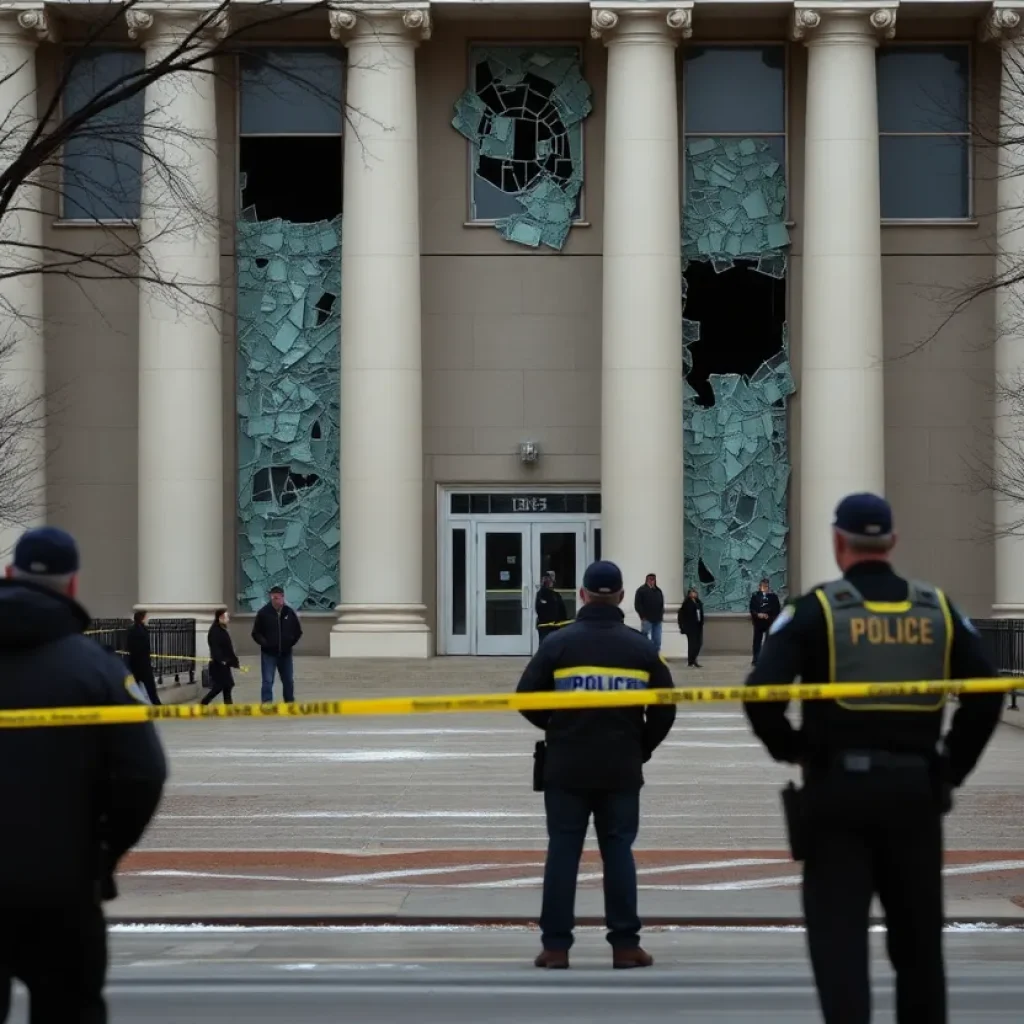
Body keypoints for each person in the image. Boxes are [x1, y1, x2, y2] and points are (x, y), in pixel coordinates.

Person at [743, 493, 1004, 1024]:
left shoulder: (815, 609)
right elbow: (988, 690)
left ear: (838, 542)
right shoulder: (937, 608)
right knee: (919, 952)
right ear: (892, 542)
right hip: (915, 795)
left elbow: (761, 690)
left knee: (839, 948)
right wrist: (949, 768)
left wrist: (794, 749)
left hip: (836, 796)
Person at [0, 526, 167, 1023]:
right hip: (61, 887)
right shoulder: (97, 671)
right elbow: (144, 774)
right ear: (73, 585)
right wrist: (100, 851)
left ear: (10, 574)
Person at [516, 560, 677, 970]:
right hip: (621, 767)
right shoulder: (641, 647)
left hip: (567, 766)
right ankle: (625, 946)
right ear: (623, 596)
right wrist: (641, 746)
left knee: (563, 853)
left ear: (582, 595)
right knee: (619, 852)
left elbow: (525, 696)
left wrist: (558, 727)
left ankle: (555, 947)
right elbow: (665, 708)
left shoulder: (559, 643)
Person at [252, 584, 302, 703]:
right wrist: (265, 643)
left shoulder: (289, 613)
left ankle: (289, 702)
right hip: (269, 654)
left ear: (282, 597)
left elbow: (298, 631)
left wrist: (289, 642)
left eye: (278, 598)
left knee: (288, 680)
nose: (276, 600)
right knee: (267, 680)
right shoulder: (263, 613)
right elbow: (255, 633)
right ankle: (267, 703)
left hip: (285, 654)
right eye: (273, 598)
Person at [202, 608, 239, 706]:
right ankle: (204, 702)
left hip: (224, 663)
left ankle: (228, 706)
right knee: (219, 686)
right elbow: (215, 648)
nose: (228, 619)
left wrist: (232, 660)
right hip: (218, 664)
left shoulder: (222, 629)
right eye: (226, 617)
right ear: (220, 618)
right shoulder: (215, 631)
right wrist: (222, 660)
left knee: (228, 685)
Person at [125, 608, 161, 706]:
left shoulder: (131, 630)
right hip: (143, 664)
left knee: (134, 689)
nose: (148, 619)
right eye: (146, 617)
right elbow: (145, 648)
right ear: (143, 618)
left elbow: (128, 646)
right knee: (151, 689)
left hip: (134, 664)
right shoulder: (143, 631)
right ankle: (158, 706)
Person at [749, 576, 780, 665]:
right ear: (759, 586)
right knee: (757, 642)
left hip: (769, 622)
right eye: (763, 586)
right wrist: (758, 614)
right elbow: (752, 609)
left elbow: (777, 609)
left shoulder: (773, 597)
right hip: (758, 623)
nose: (764, 588)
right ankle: (756, 659)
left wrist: (769, 616)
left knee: (769, 641)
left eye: (766, 586)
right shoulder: (755, 596)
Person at [633, 573, 665, 653]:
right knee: (644, 637)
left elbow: (661, 604)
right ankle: (644, 653)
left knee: (657, 639)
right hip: (647, 619)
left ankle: (655, 655)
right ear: (647, 580)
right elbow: (637, 604)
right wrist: (642, 616)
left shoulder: (658, 591)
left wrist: (661, 615)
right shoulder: (641, 590)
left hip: (657, 619)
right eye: (650, 579)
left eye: (653, 579)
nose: (652, 581)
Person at [535, 571, 567, 646]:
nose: (550, 581)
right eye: (547, 579)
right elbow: (540, 609)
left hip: (557, 627)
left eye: (551, 579)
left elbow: (562, 612)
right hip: (545, 627)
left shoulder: (556, 595)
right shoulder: (541, 593)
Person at [677, 586, 704, 668]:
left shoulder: (698, 602)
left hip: (698, 626)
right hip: (690, 626)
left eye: (695, 592)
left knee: (699, 643)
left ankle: (694, 658)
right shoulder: (686, 603)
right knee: (692, 644)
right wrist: (681, 626)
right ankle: (691, 660)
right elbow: (681, 615)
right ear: (689, 594)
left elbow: (700, 613)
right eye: (692, 592)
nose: (694, 594)